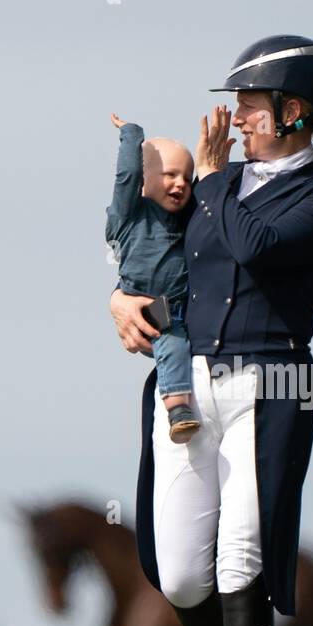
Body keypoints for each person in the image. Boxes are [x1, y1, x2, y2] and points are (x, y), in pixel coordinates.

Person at [109, 35, 313, 626]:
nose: (236, 116)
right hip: (188, 386)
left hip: (269, 384)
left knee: (240, 556)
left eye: (250, 105)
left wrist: (214, 179)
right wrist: (120, 296)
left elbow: (254, 248)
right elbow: (150, 251)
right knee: (182, 573)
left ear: (294, 111)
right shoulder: (215, 188)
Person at [106, 116, 200, 442]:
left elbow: (207, 190)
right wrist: (131, 135)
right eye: (170, 175)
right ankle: (178, 408)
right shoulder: (129, 216)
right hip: (149, 307)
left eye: (187, 178)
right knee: (172, 344)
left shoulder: (187, 217)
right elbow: (127, 175)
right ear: (146, 182)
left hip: (186, 305)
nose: (180, 184)